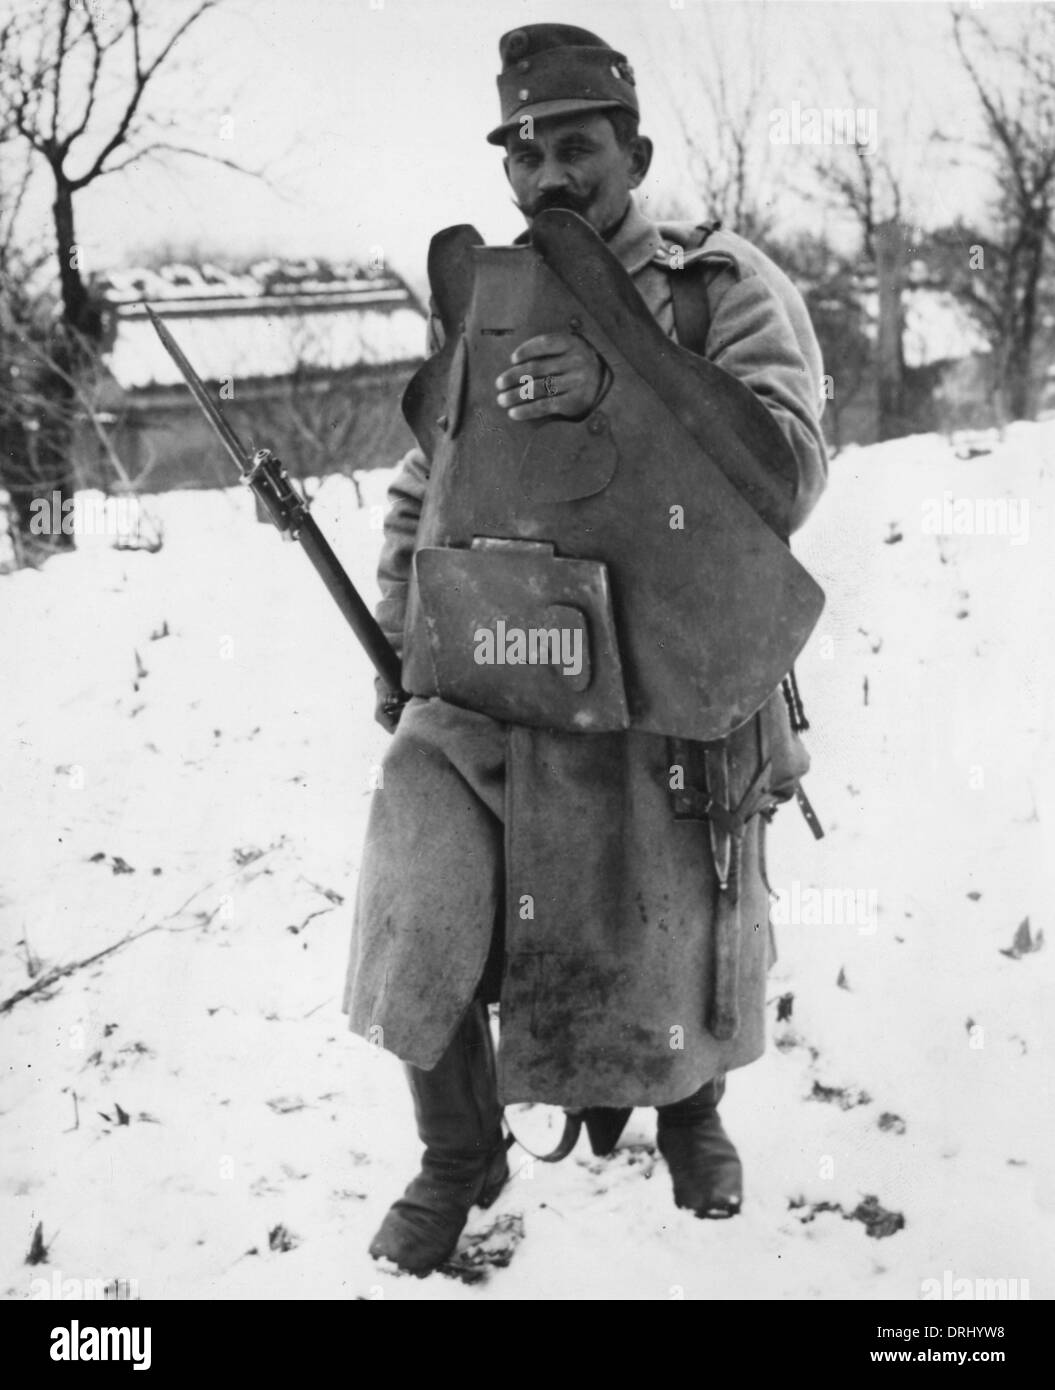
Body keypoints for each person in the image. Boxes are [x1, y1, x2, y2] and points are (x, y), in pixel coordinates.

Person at [343, 23, 828, 1276]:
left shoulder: (716, 287)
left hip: (671, 660)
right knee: (419, 845)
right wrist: (402, 643)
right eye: (529, 152)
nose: (553, 175)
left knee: (670, 893)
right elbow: (424, 476)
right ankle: (459, 1152)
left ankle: (688, 1114)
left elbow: (782, 471)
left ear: (633, 153)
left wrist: (620, 369)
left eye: (579, 146)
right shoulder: (489, 298)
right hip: (504, 662)